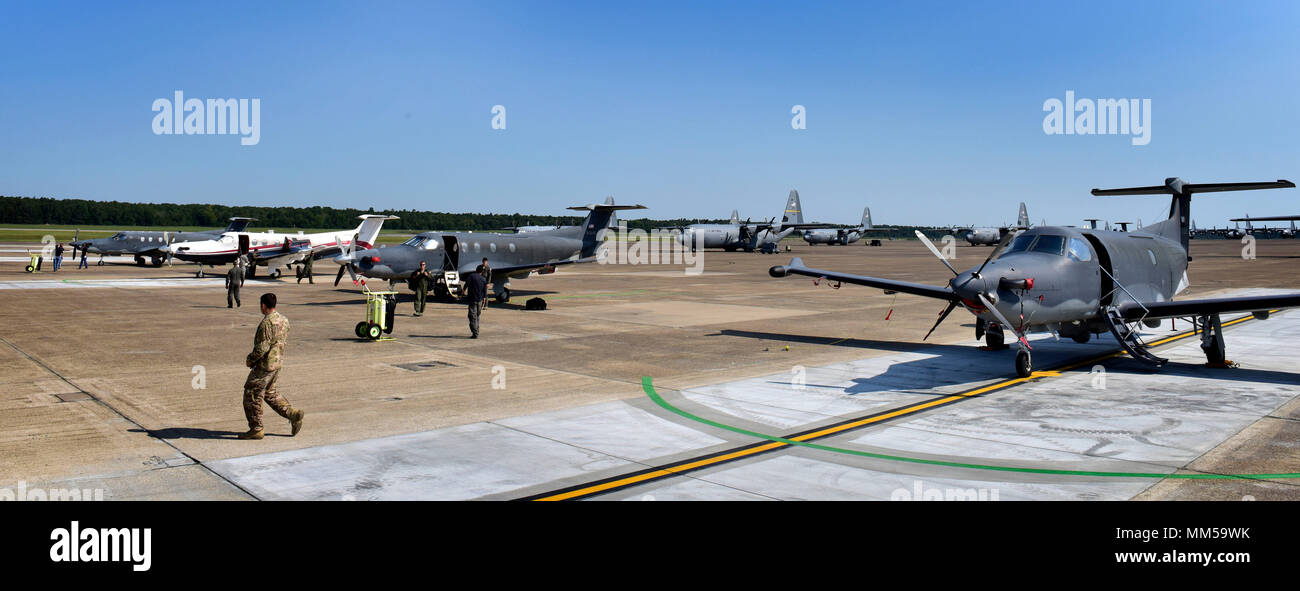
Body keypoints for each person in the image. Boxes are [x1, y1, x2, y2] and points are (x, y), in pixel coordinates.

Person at [239, 293, 304, 440]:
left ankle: (256, 428)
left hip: (265, 365)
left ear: (263, 305)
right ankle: (292, 414)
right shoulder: (284, 320)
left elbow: (262, 348)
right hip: (277, 363)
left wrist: (250, 360)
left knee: (252, 394)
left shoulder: (267, 323)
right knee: (269, 393)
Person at [464, 265, 488, 338]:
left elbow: (466, 284)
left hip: (472, 299)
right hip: (480, 300)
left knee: (472, 316)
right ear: (482, 271)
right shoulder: (483, 279)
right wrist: (484, 299)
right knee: (477, 316)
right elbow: (485, 291)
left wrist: (463, 290)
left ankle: (475, 332)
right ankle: (476, 330)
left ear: (476, 270)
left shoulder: (471, 276)